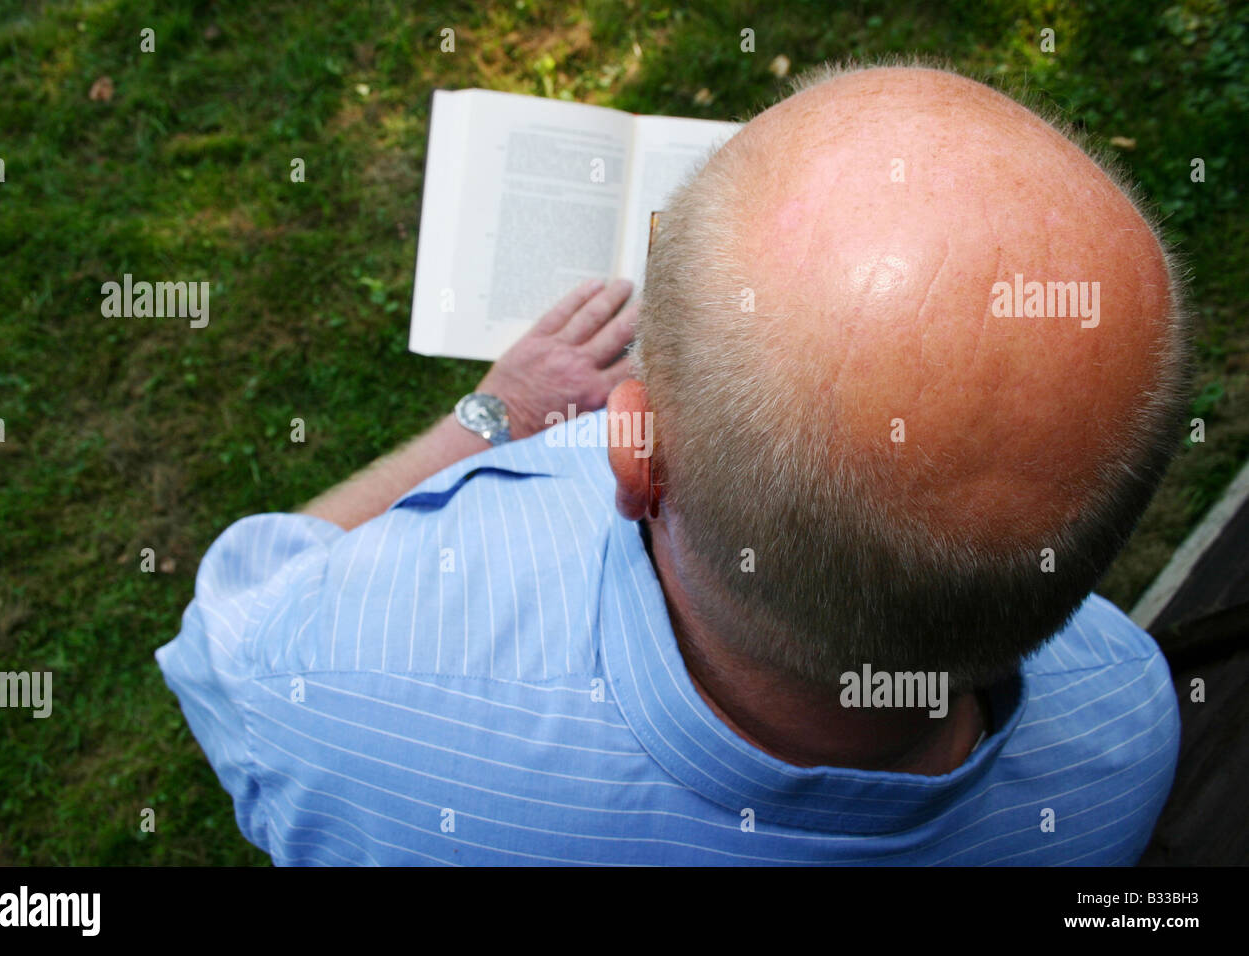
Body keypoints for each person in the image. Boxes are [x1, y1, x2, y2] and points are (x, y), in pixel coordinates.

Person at [156, 62, 1186, 865]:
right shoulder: (1125, 729)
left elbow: (218, 637)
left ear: (636, 449)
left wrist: (490, 413)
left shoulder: (337, 677)